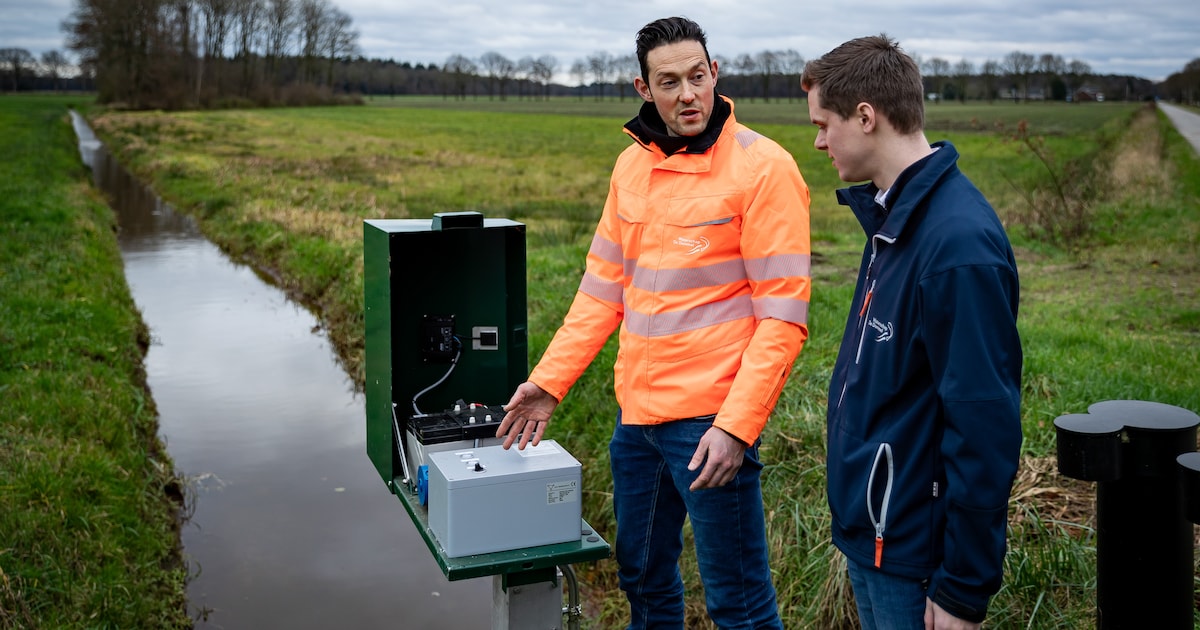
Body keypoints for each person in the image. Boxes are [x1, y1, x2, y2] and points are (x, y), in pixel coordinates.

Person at [495, 16, 811, 630]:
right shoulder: (629, 168)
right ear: (644, 88)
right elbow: (600, 294)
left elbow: (782, 319)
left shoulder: (763, 168)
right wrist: (549, 383)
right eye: (670, 82)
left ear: (715, 74)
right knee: (641, 576)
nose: (688, 94)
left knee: (739, 605)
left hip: (711, 425)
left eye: (698, 76)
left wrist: (737, 428)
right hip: (636, 420)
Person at [801, 35, 1023, 630]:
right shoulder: (891, 215)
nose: (818, 141)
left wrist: (962, 589)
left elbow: (984, 424)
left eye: (824, 124)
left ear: (866, 117)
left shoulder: (957, 246)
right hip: (874, 533)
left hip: (915, 558)